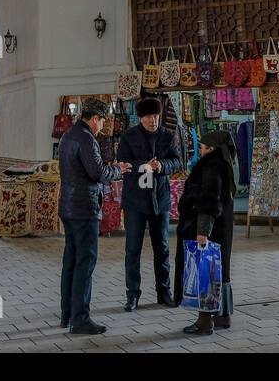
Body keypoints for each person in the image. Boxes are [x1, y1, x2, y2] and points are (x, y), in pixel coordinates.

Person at [58, 98, 131, 335]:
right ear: (95, 119)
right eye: (102, 122)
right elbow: (97, 172)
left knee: (71, 261)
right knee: (85, 263)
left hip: (69, 207)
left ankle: (67, 314)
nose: (102, 127)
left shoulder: (69, 134)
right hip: (84, 209)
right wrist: (118, 170)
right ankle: (80, 319)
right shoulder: (86, 138)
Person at [116, 96, 182, 311]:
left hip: (159, 200)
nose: (152, 121)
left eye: (155, 116)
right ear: (140, 118)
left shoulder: (167, 135)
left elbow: (178, 161)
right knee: (132, 249)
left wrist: (161, 165)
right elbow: (122, 163)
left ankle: (164, 292)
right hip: (135, 200)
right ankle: (132, 295)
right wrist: (144, 166)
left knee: (162, 247)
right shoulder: (128, 136)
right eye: (148, 117)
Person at [174, 129, 237, 335]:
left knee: (205, 271)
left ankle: (204, 321)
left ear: (211, 148)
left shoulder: (211, 166)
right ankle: (222, 316)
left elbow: (209, 202)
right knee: (221, 272)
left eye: (201, 147)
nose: (199, 150)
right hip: (222, 228)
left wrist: (202, 232)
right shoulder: (223, 164)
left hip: (210, 229)